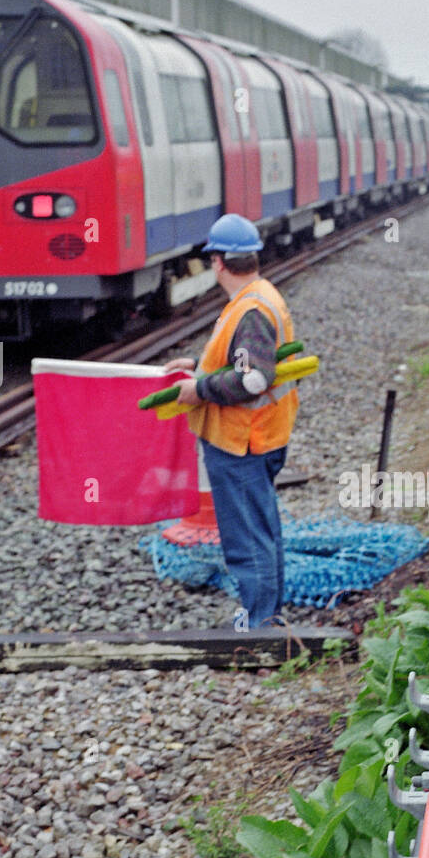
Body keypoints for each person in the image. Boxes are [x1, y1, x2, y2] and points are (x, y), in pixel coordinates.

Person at [163, 214, 298, 629]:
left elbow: (254, 378)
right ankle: (265, 611)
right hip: (257, 436)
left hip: (242, 441)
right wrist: (198, 369)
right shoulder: (259, 295)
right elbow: (243, 363)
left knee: (247, 535)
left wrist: (198, 391)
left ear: (217, 261)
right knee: (261, 528)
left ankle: (259, 620)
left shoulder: (251, 309)